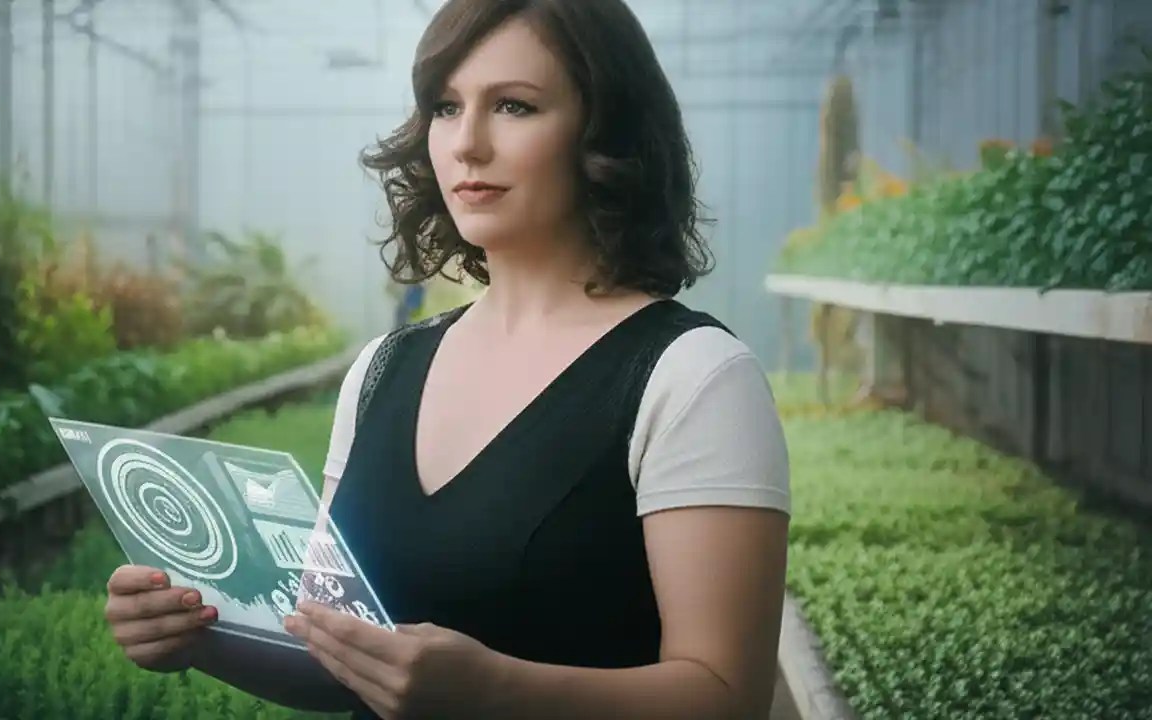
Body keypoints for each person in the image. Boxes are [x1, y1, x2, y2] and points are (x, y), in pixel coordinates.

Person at [101, 0, 791, 718]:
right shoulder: (382, 370)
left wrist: (494, 691)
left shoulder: (692, 376)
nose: (467, 143)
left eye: (515, 106)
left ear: (607, 132)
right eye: (445, 107)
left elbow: (726, 697)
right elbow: (335, 656)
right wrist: (197, 633)